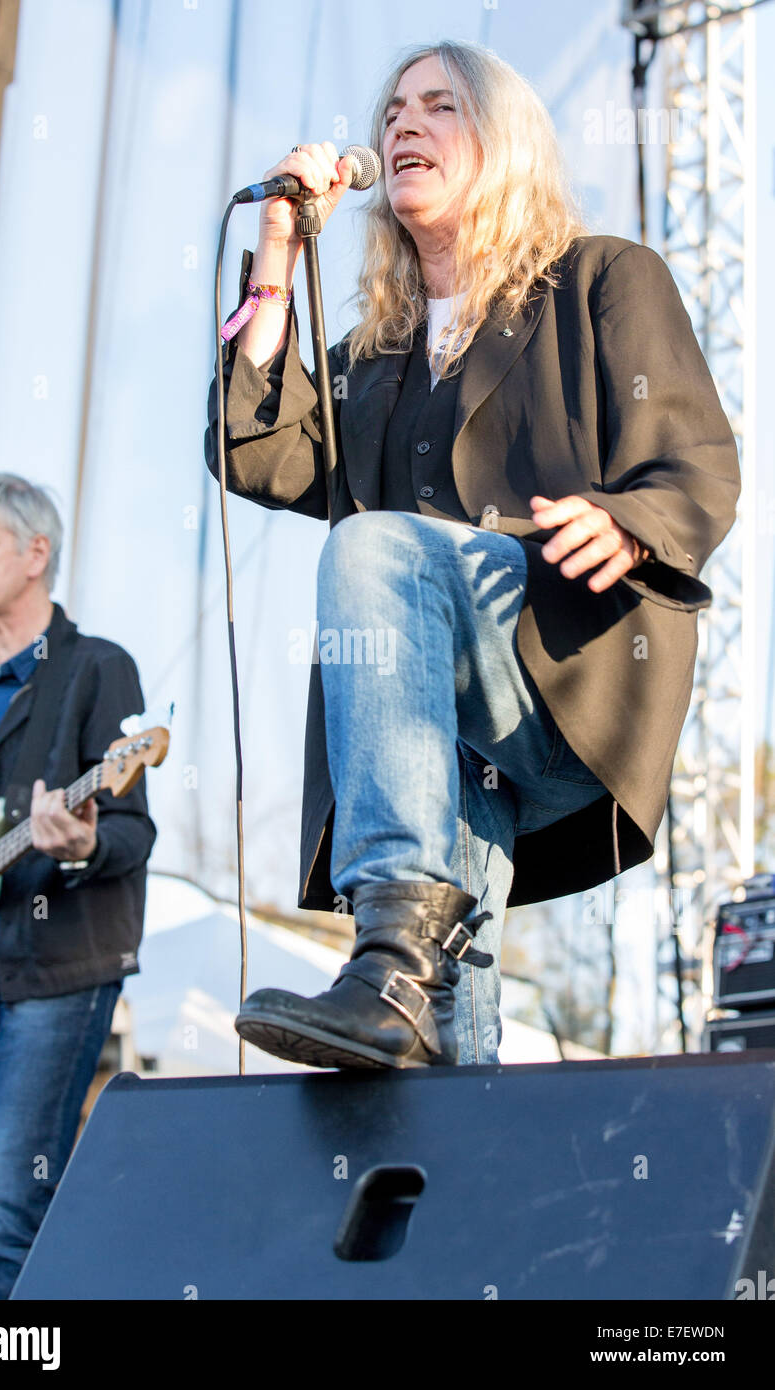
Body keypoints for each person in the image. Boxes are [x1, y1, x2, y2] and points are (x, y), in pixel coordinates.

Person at [205, 41, 740, 1071]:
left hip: (565, 655)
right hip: (431, 731)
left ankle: (389, 957)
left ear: (500, 145)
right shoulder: (376, 353)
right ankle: (419, 1010)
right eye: (391, 110)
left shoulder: (599, 279)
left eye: (437, 106)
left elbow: (696, 464)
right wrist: (276, 250)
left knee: (370, 550)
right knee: (451, 1004)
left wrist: (626, 520)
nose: (400, 125)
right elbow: (254, 449)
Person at [0, 473, 156, 1298]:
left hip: (55, 968)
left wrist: (82, 842)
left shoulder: (95, 669)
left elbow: (133, 831)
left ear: (35, 554)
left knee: (12, 1205)